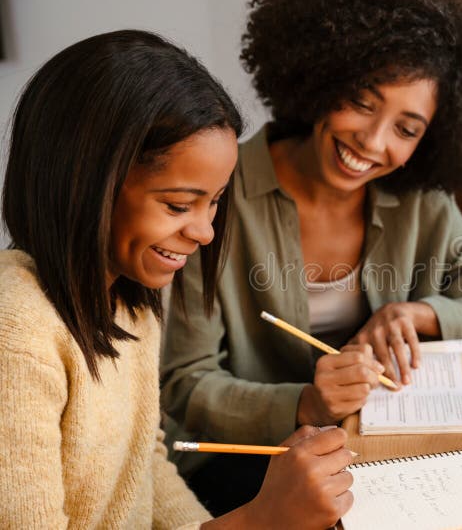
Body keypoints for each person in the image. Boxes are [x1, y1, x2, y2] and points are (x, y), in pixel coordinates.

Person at [161, 0, 462, 511]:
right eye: (361, 102)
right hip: (247, 456)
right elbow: (185, 384)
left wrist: (416, 314)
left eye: (406, 129)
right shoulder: (221, 193)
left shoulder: (421, 201)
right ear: (323, 76)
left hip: (376, 446)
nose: (373, 142)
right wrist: (306, 403)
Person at [0, 30, 353, 529]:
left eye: (214, 202)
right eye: (178, 205)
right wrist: (260, 520)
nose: (205, 232)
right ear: (86, 181)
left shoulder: (130, 304)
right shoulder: (17, 333)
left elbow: (145, 472)